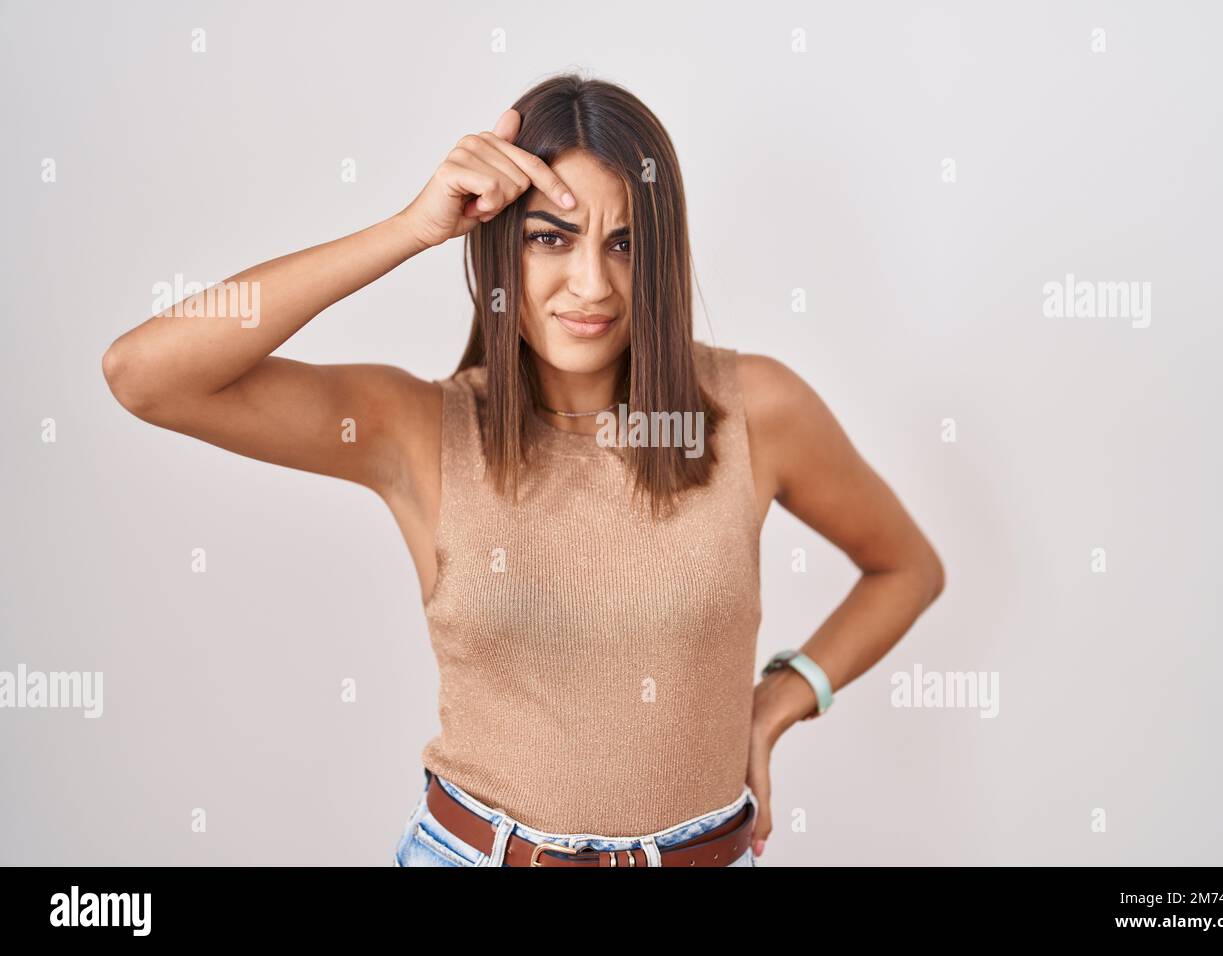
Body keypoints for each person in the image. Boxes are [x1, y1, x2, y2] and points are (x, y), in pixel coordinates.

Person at [102, 73, 945, 867]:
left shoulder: (753, 407)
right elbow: (145, 374)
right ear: (497, 246)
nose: (592, 283)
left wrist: (776, 705)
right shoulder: (419, 430)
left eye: (625, 243)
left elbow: (905, 568)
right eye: (552, 237)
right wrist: (410, 228)